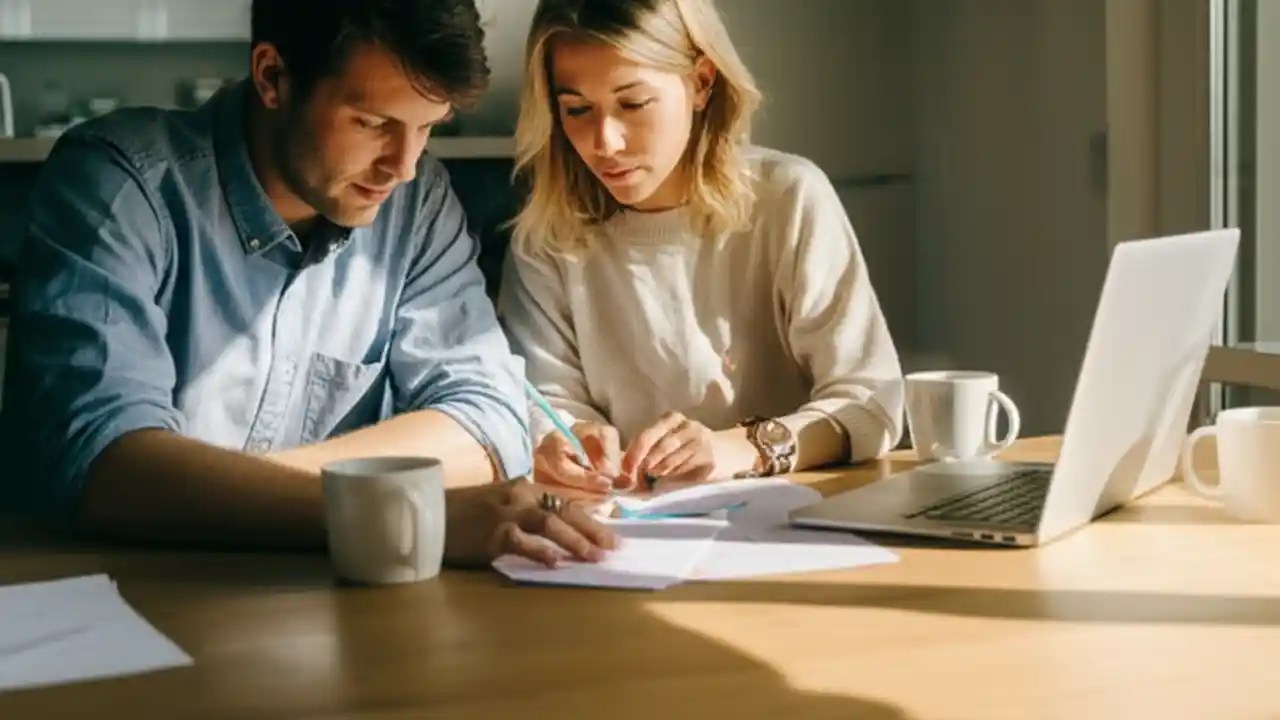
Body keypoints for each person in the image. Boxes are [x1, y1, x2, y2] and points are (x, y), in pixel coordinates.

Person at [0, 0, 615, 567]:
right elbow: (109, 466)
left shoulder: (416, 202)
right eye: (373, 122)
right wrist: (399, 510)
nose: (403, 166)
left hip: (316, 605)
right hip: (108, 607)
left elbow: (489, 421)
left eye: (428, 127)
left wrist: (222, 490)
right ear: (272, 76)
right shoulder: (120, 185)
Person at [499, 0, 905, 495]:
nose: (605, 141)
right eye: (577, 110)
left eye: (633, 104)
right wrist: (571, 439)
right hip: (627, 536)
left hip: (792, 523)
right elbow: (544, 403)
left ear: (701, 82)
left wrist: (740, 448)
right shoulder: (546, 236)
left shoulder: (787, 198)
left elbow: (870, 402)